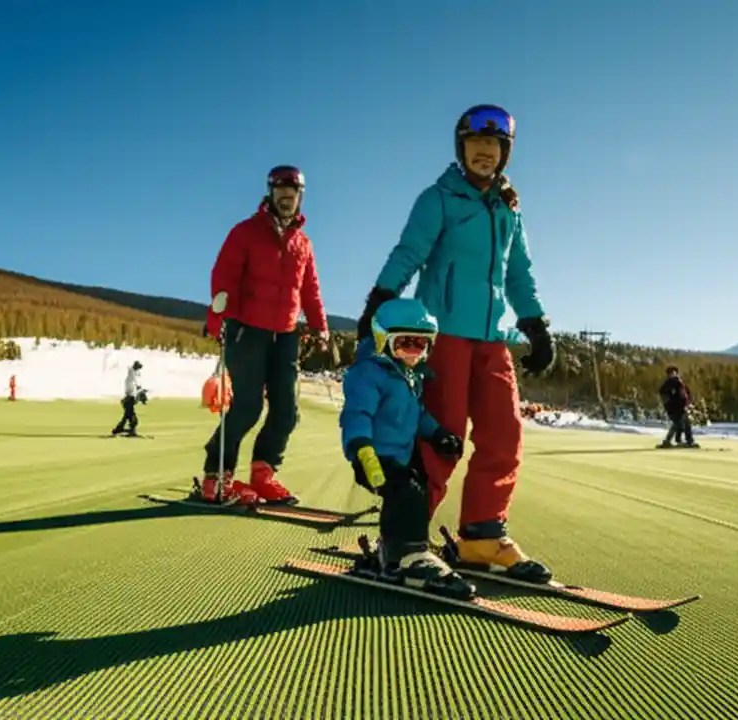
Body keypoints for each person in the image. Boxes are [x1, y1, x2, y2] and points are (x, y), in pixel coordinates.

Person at [354, 104, 556, 581]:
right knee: (438, 438)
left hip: (493, 339)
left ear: (505, 154)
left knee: (503, 435)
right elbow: (409, 252)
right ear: (461, 149)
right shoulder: (439, 198)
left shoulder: (508, 209)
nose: (485, 153)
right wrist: (380, 298)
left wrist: (535, 323)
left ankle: (482, 536)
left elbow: (519, 272)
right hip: (442, 336)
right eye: (476, 144)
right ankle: (404, 541)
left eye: (494, 146)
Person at [200, 165, 330, 505]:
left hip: (285, 335)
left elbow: (310, 289)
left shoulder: (303, 243)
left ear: (300, 197)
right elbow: (223, 277)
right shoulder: (246, 232)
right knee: (247, 406)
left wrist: (320, 326)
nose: (287, 197)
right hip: (248, 330)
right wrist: (218, 319)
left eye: (293, 192)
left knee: (287, 411)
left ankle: (263, 474)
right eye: (281, 191)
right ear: (271, 193)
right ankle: (216, 475)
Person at [340, 298, 474, 599]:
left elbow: (418, 415)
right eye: (404, 344)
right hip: (373, 457)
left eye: (421, 345)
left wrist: (438, 434)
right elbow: (357, 414)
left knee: (415, 490)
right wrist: (361, 450)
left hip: (400, 458)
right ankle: (410, 554)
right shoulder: (369, 374)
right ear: (382, 340)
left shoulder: (410, 378)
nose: (413, 352)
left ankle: (393, 551)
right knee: (407, 491)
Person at [658, 365, 698, 448]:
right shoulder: (668, 384)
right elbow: (664, 395)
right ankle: (677, 441)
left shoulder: (680, 382)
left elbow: (686, 393)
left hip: (682, 407)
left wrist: (689, 401)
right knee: (679, 425)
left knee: (686, 424)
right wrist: (670, 404)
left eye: (674, 372)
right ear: (668, 374)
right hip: (674, 408)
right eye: (671, 373)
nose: (673, 374)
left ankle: (688, 441)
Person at [111, 361, 145, 437]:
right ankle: (126, 430)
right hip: (129, 399)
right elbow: (137, 384)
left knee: (127, 416)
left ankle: (120, 429)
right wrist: (141, 393)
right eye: (137, 367)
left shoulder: (132, 375)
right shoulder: (132, 374)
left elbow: (137, 385)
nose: (138, 369)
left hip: (130, 398)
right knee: (131, 417)